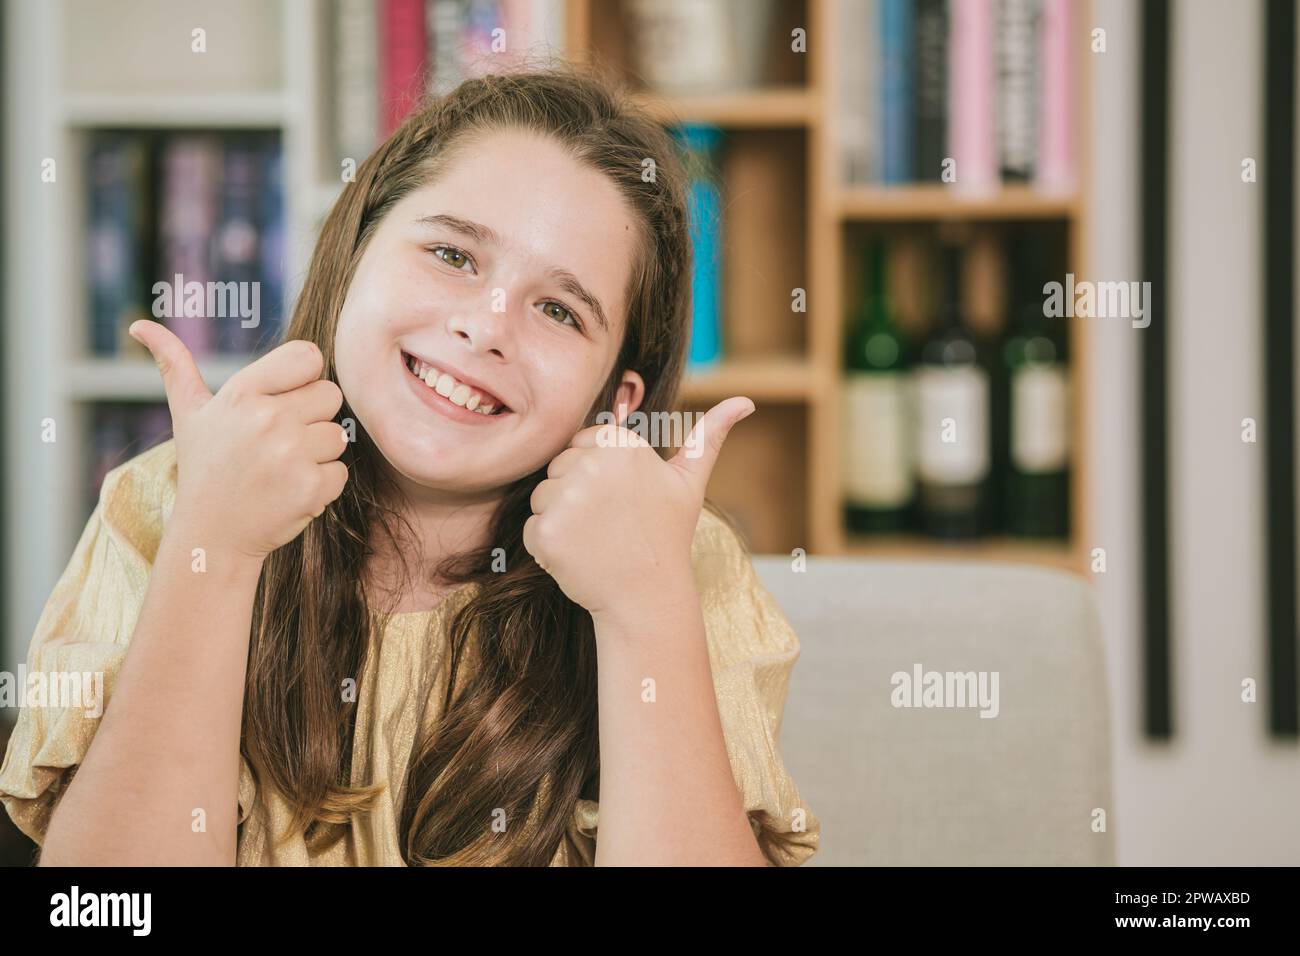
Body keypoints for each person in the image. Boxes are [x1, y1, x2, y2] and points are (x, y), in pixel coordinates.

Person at [0, 65, 821, 866]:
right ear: (352, 251)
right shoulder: (163, 505)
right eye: (454, 256)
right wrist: (211, 544)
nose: (486, 327)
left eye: (559, 310)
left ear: (615, 401)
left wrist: (645, 608)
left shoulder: (677, 563)